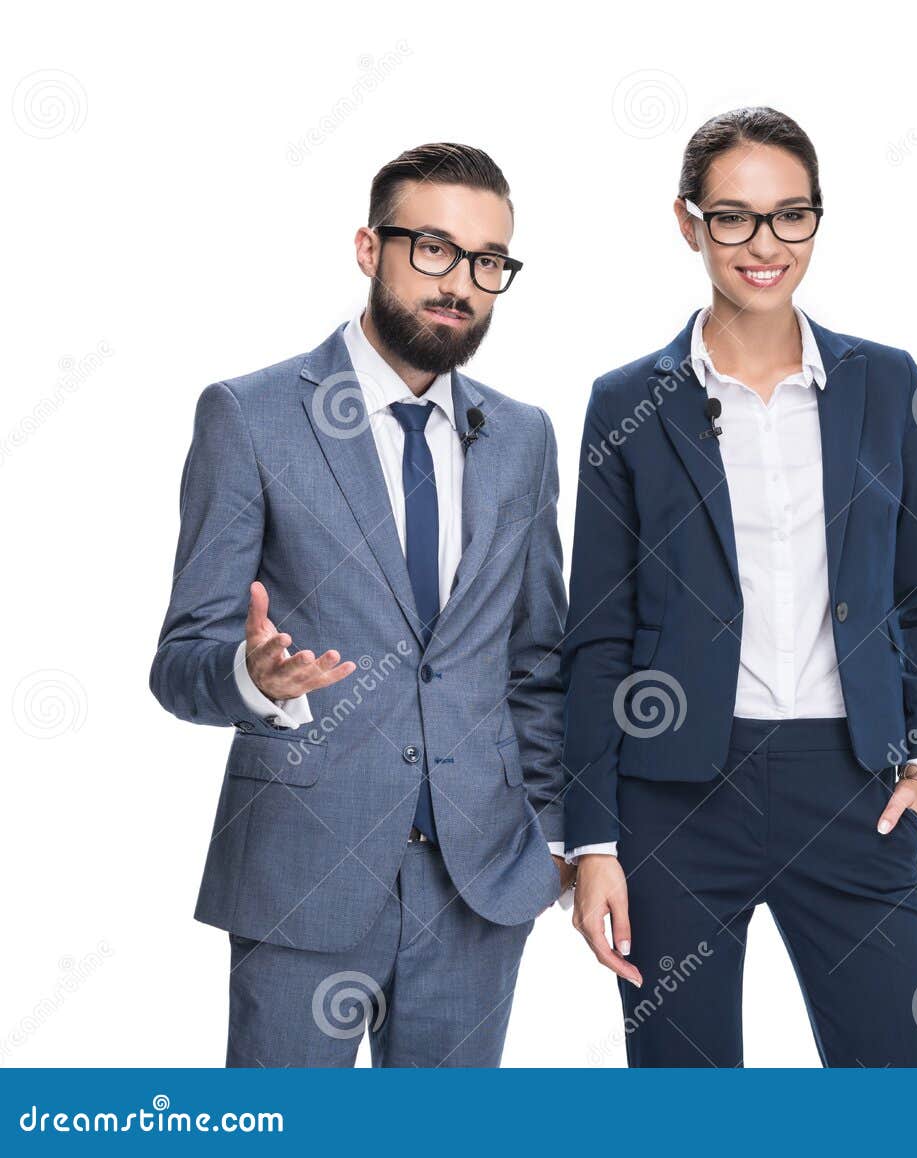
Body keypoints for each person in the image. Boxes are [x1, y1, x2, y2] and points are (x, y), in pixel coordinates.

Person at [149, 143, 571, 1066]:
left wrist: (546, 838)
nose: (459, 282)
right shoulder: (250, 416)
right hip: (302, 875)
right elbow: (180, 659)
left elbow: (539, 660)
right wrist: (250, 677)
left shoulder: (523, 437)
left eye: (488, 262)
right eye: (434, 248)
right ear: (368, 248)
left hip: (480, 885)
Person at [563, 107, 917, 1067]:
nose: (765, 244)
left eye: (791, 215)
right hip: (675, 802)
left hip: (854, 787)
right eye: (734, 218)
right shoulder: (628, 402)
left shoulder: (886, 384)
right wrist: (593, 843)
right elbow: (598, 633)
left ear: (817, 218)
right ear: (688, 223)